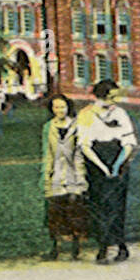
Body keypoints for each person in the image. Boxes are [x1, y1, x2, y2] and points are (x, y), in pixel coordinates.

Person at [77, 80, 138, 263]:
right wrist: (102, 167)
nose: (114, 100)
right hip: (96, 161)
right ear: (100, 96)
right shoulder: (87, 114)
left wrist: (118, 164)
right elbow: (84, 145)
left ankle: (121, 245)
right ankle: (103, 246)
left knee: (117, 205)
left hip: (118, 159)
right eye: (111, 97)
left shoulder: (120, 113)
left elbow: (128, 140)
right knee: (99, 205)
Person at [40, 95, 89, 260]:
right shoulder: (48, 127)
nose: (59, 111)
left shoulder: (76, 127)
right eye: (56, 107)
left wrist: (80, 177)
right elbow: (47, 153)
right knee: (54, 212)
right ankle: (54, 248)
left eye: (62, 107)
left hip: (72, 174)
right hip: (56, 175)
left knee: (74, 211)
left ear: (68, 107)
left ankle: (76, 248)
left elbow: (79, 154)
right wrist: (46, 176)